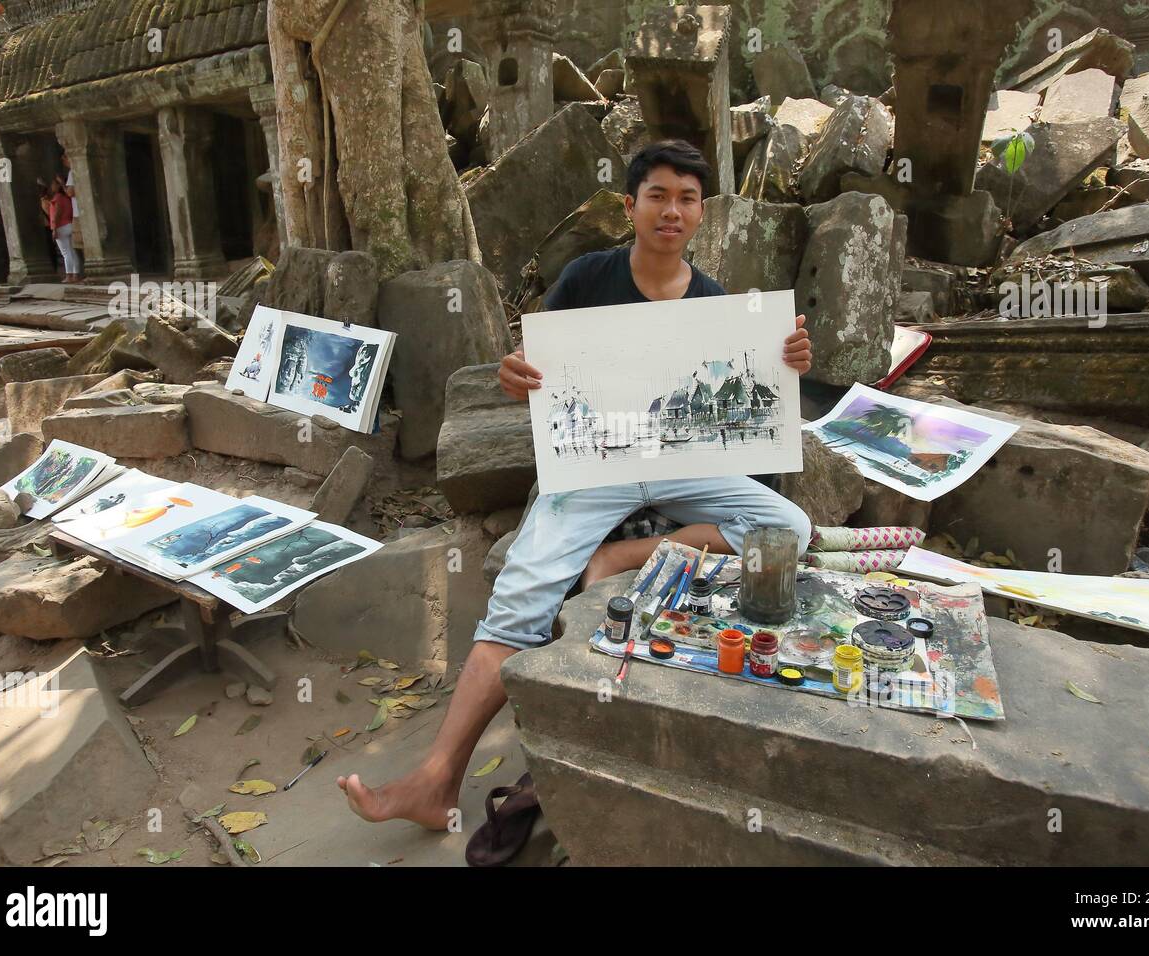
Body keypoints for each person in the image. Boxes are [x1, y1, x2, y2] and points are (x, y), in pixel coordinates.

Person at [337, 140, 814, 828]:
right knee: (525, 589)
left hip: (685, 463)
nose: (671, 210)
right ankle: (437, 777)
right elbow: (539, 365)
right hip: (598, 463)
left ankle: (625, 557)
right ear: (631, 206)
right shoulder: (588, 278)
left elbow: (752, 411)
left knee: (788, 530)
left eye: (686, 198)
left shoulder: (716, 304)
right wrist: (516, 373)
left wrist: (788, 360)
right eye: (657, 195)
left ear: (700, 213)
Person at [48, 175, 81, 283]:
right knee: (73, 251)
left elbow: (57, 213)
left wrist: (54, 228)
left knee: (66, 253)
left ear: (58, 186)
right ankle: (76, 275)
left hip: (61, 226)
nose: (51, 186)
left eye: (53, 184)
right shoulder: (67, 198)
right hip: (69, 224)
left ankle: (69, 276)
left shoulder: (57, 198)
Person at [61, 151, 84, 281]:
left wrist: (62, 185)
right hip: (79, 211)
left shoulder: (72, 171)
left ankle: (80, 273)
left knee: (79, 244)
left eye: (64, 159)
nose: (64, 162)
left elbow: (70, 192)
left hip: (79, 212)